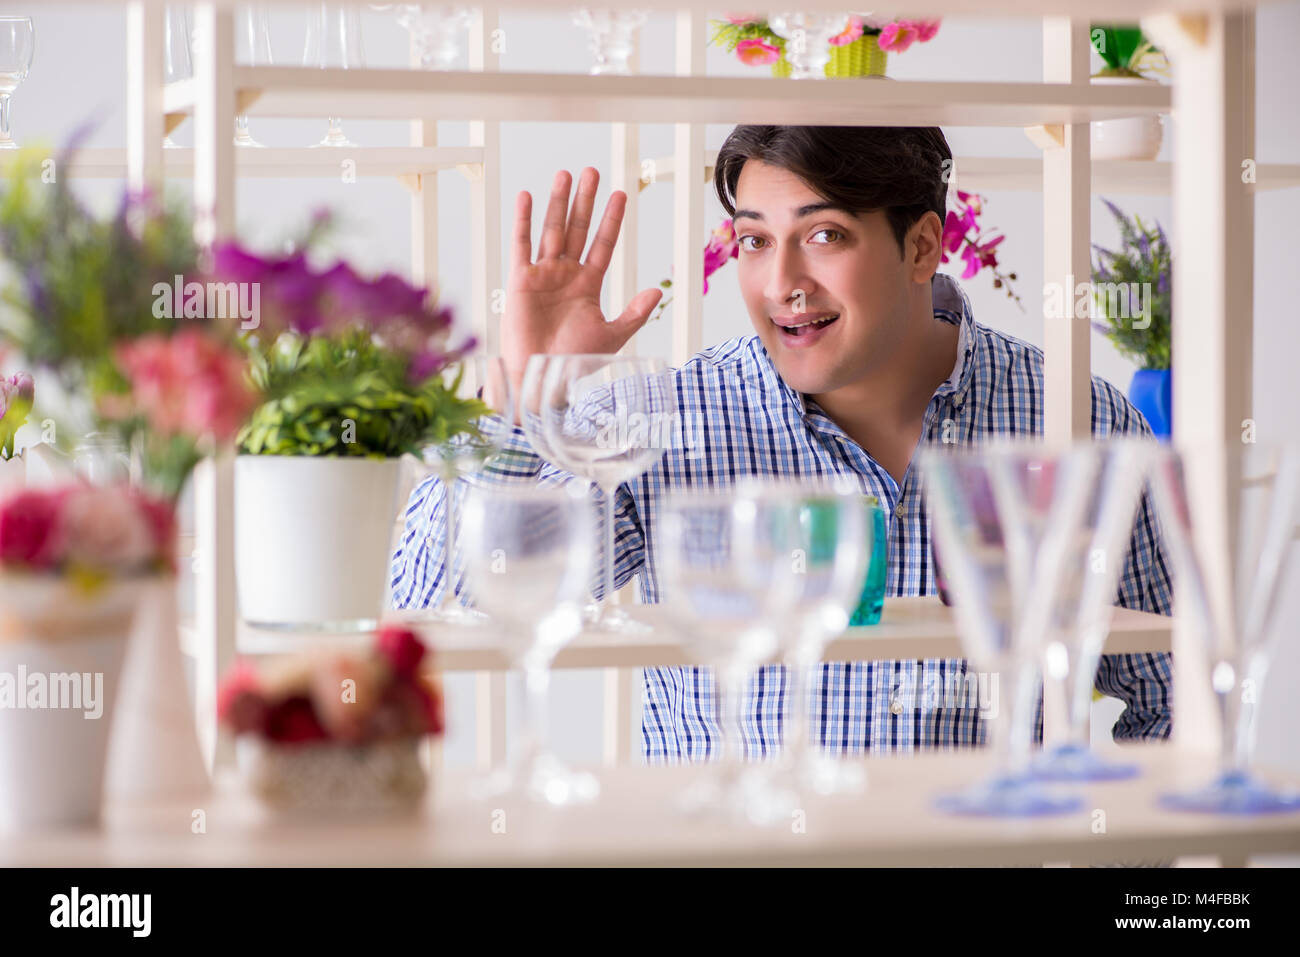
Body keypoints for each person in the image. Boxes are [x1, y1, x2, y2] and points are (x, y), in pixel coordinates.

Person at [390, 124, 1173, 763]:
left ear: (923, 247)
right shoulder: (665, 420)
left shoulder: (1075, 420)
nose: (781, 284)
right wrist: (528, 399)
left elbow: (1173, 696)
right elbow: (432, 603)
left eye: (823, 234)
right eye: (755, 242)